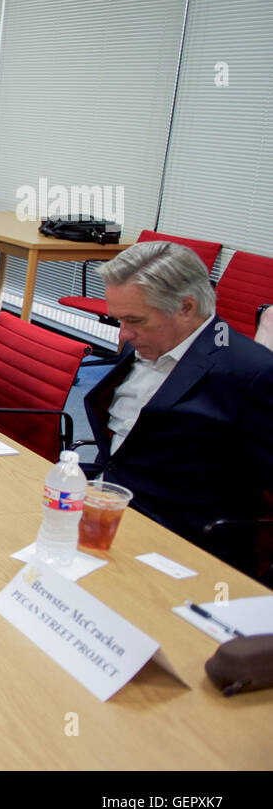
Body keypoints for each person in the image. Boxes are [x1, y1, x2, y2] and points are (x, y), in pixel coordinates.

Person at [84, 240, 273, 578]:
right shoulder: (150, 338)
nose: (124, 335)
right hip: (106, 507)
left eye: (134, 320)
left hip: (177, 544)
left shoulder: (251, 373)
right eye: (119, 320)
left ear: (186, 307)